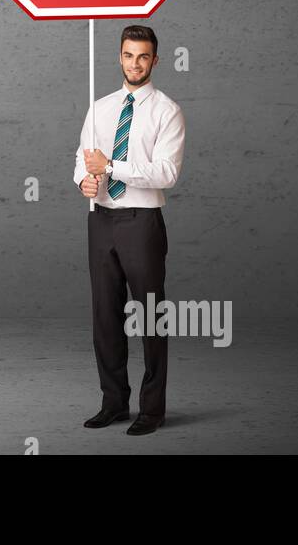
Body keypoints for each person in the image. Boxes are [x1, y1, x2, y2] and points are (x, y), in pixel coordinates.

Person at [73, 25, 185, 435]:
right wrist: (84, 181)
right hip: (101, 221)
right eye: (127, 55)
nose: (134, 63)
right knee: (105, 316)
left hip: (142, 223)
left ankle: (151, 410)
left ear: (154, 61)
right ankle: (113, 402)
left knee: (151, 317)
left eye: (142, 57)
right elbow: (83, 161)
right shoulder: (100, 107)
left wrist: (112, 168)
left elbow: (167, 173)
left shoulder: (166, 110)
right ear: (119, 57)